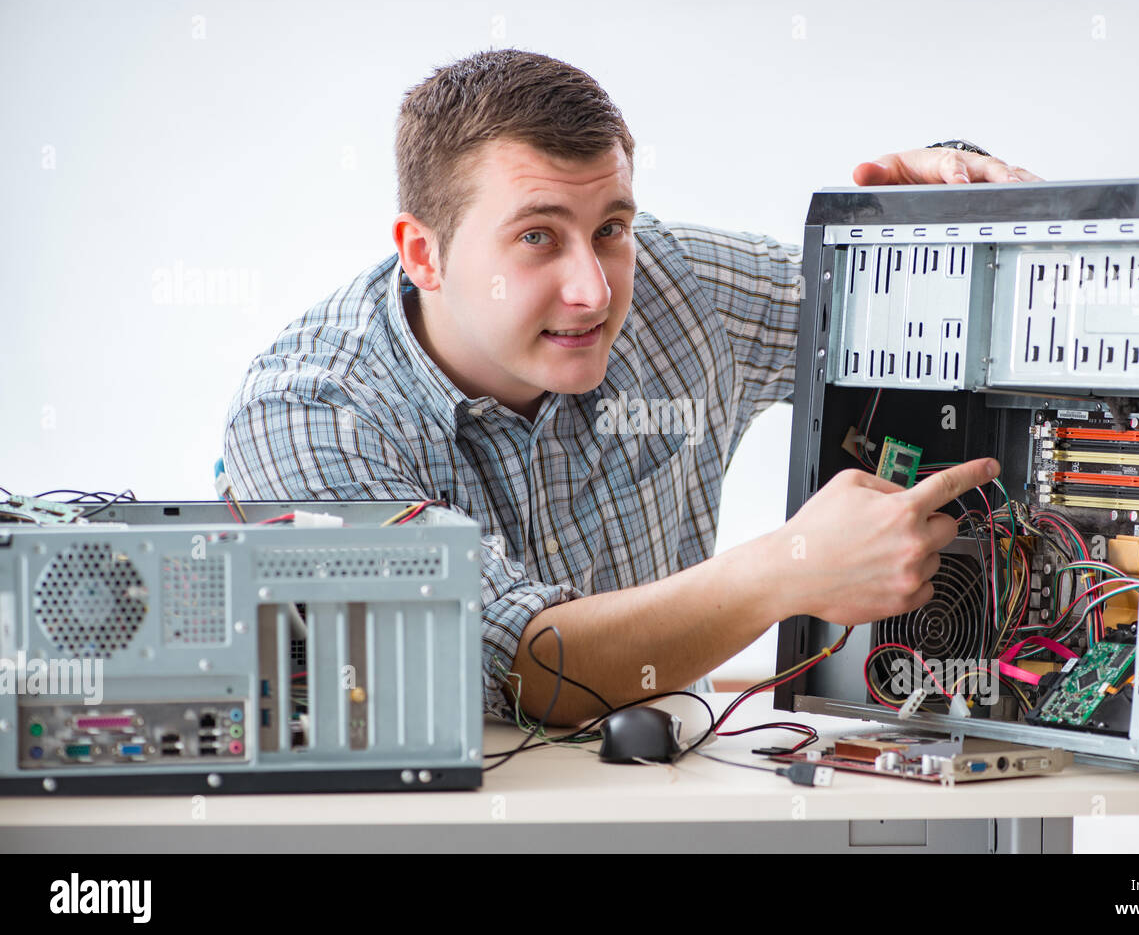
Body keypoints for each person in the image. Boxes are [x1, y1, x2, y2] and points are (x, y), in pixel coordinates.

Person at [223, 48, 1040, 725]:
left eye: (611, 228)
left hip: (659, 800)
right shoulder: (308, 415)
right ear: (424, 254)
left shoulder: (678, 291)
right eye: (538, 237)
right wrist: (787, 569)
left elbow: (905, 319)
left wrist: (942, 203)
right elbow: (523, 669)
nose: (595, 290)